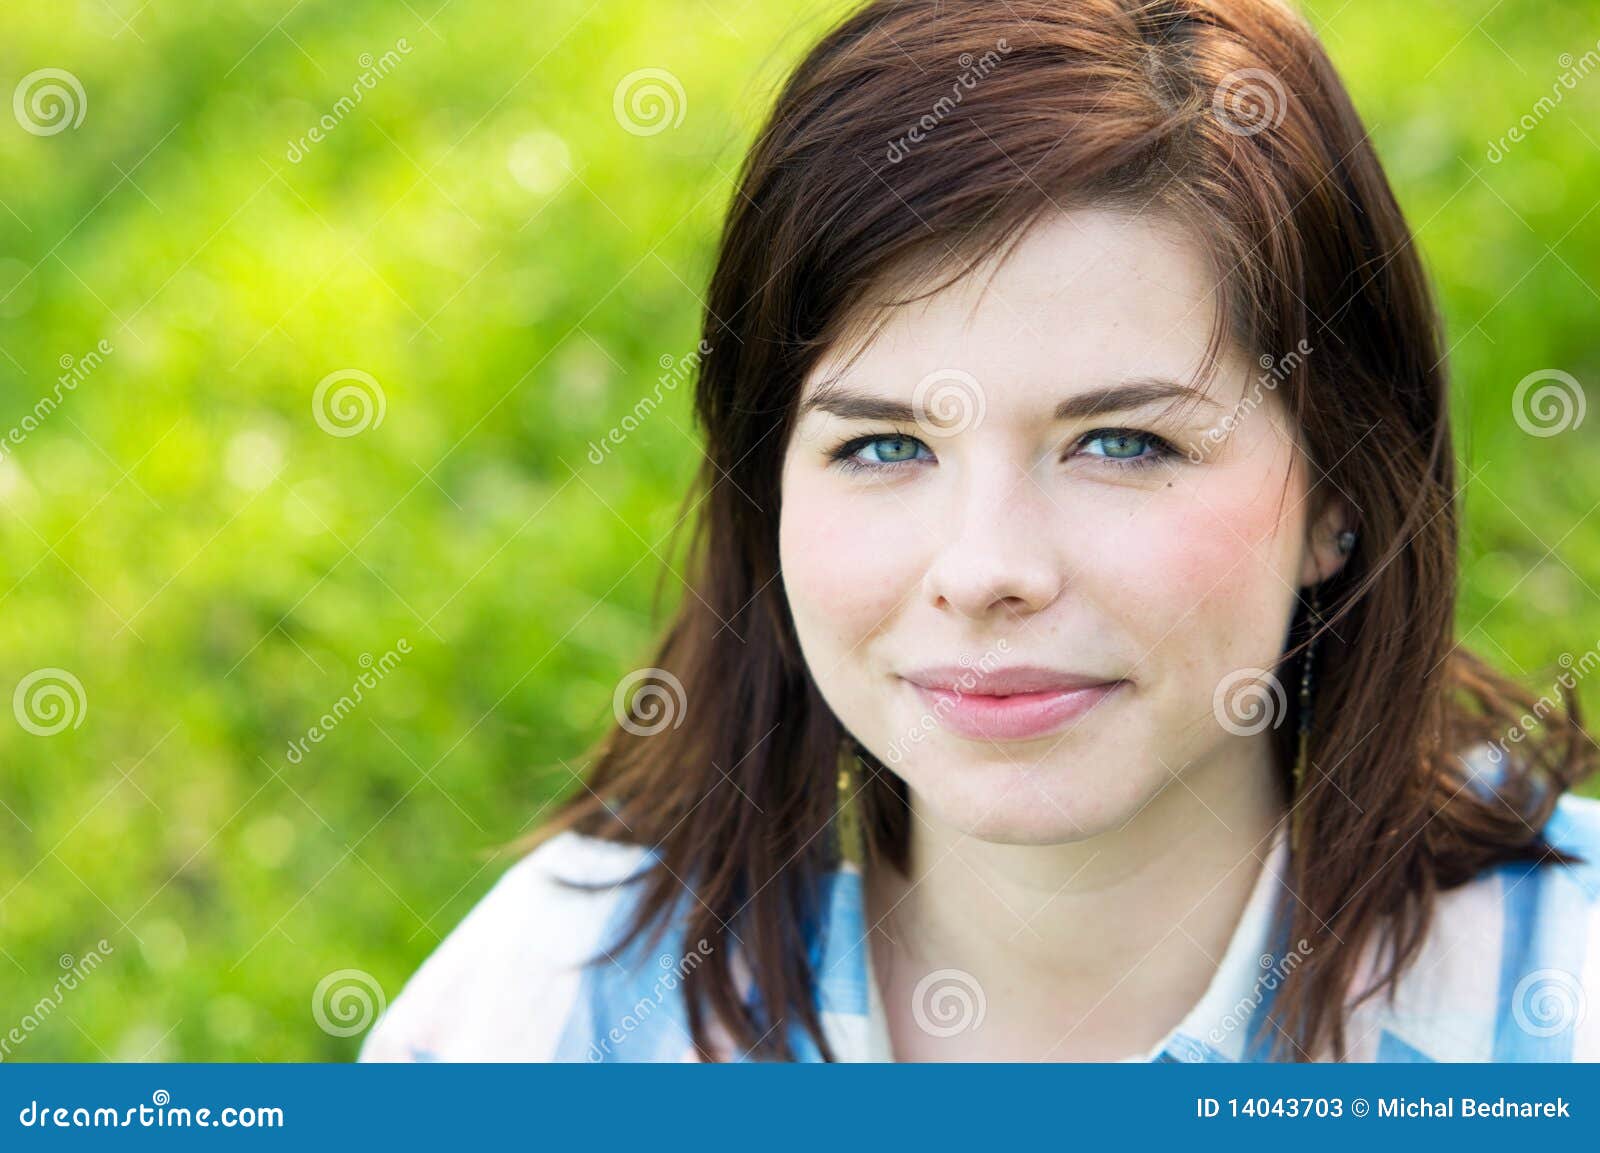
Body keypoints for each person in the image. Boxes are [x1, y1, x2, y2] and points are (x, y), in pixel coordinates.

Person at [360, 0, 1600, 1062]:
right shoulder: (548, 1019)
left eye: (1124, 444)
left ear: (1341, 489)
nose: (986, 569)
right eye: (883, 446)